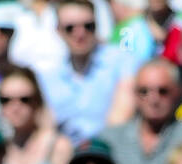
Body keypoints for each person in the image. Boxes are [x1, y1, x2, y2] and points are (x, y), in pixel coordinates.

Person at [37, 0, 136, 143]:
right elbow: (47, 126)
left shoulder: (121, 61)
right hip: (67, 152)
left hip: (109, 147)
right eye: (70, 28)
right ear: (58, 30)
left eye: (88, 26)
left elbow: (120, 119)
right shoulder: (49, 76)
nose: (80, 33)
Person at [0, 67, 72, 164]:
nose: (15, 107)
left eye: (24, 99)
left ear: (37, 101)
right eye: (6, 100)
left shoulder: (58, 145)